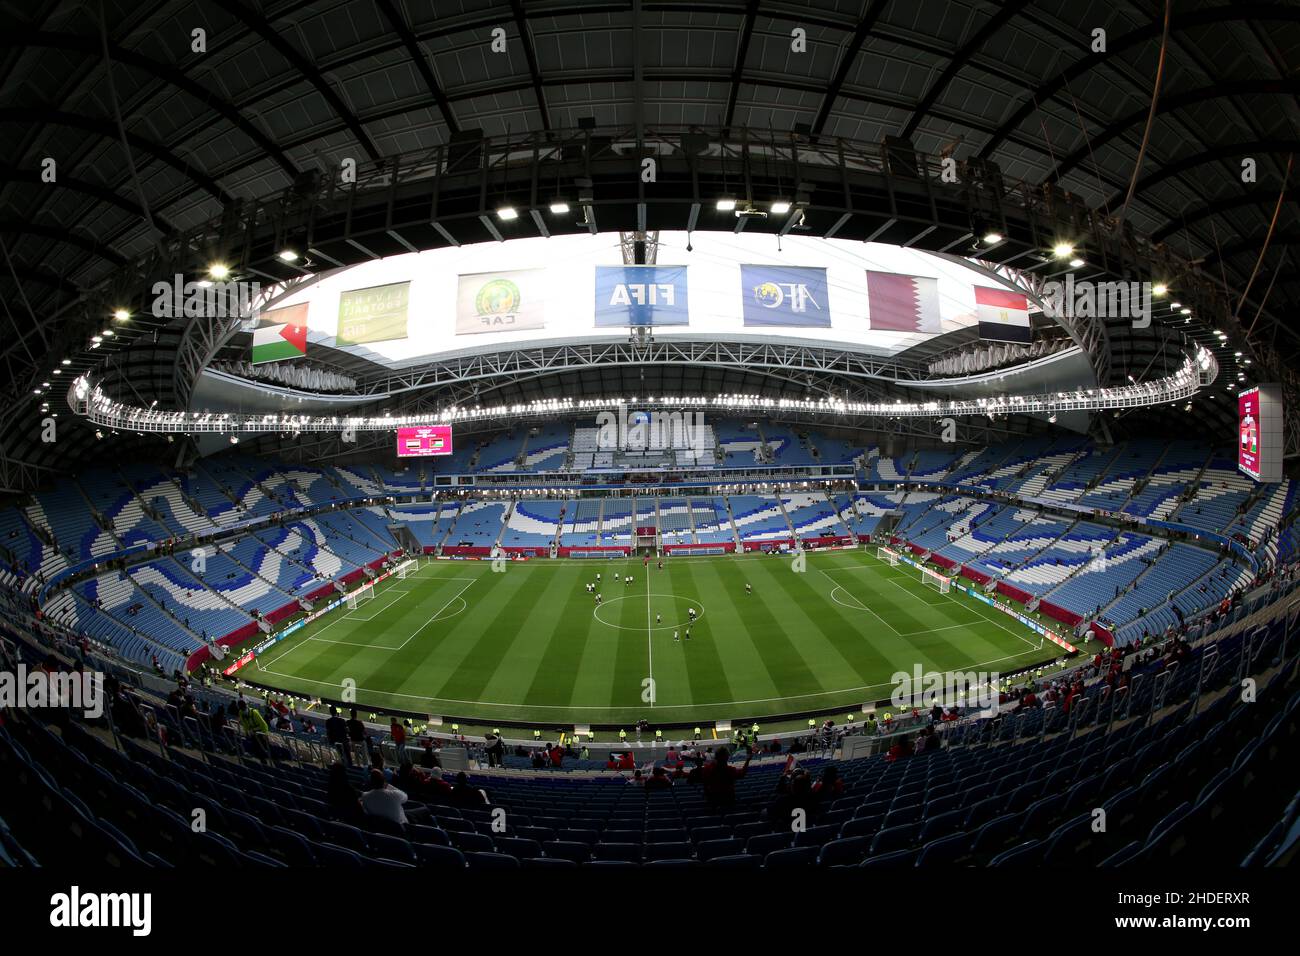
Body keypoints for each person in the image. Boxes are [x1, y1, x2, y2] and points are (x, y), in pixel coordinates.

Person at [689, 745, 752, 810]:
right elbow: (742, 774)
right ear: (727, 758)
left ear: (716, 756)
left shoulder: (707, 769)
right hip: (728, 799)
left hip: (712, 800)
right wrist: (747, 760)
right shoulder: (730, 770)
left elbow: (704, 782)